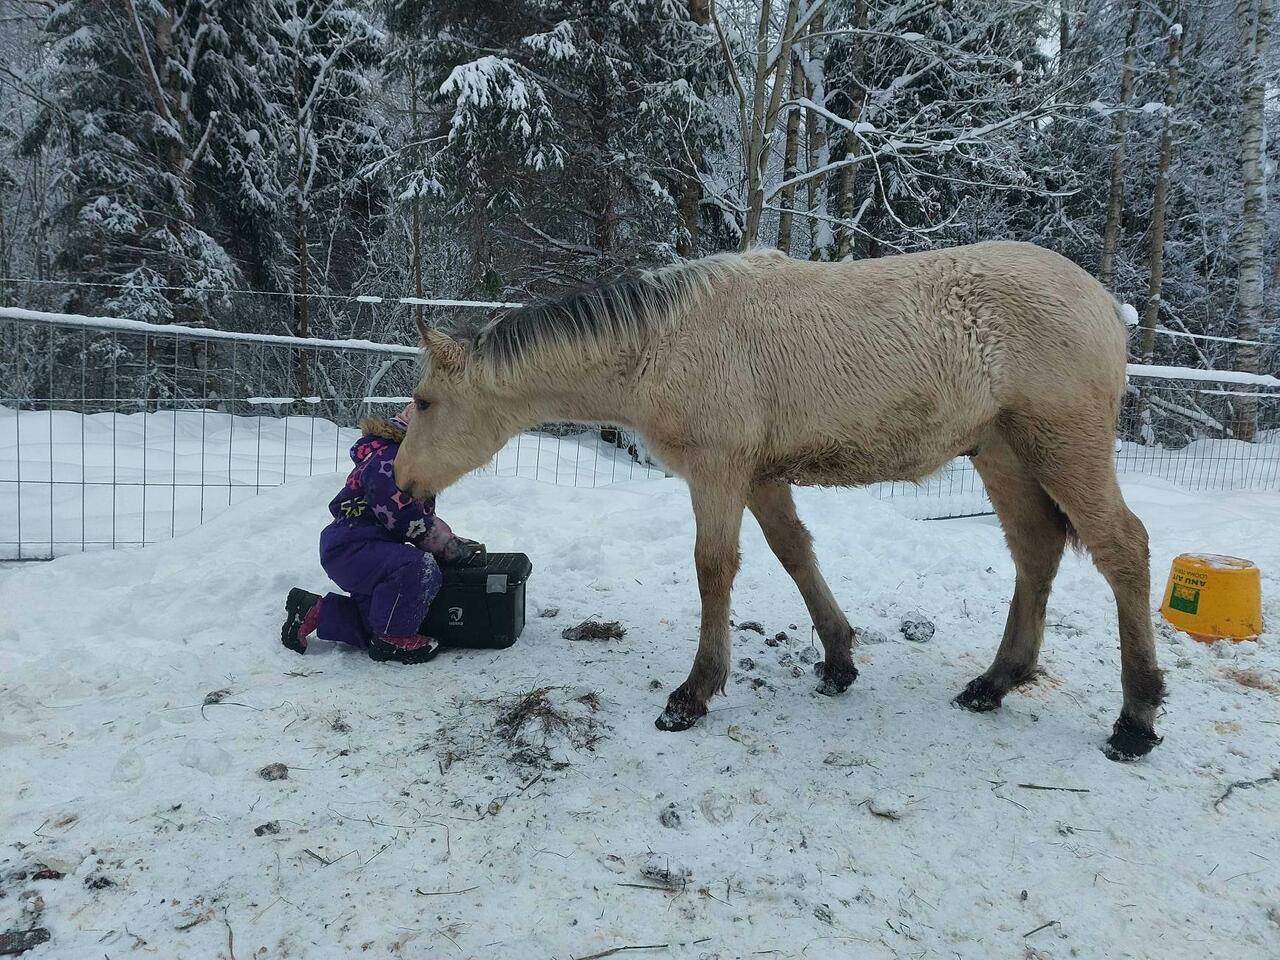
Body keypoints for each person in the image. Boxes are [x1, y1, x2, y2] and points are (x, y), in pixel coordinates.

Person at [280, 402, 481, 664]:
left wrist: (446, 539)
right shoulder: (390, 459)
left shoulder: (409, 463)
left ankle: (314, 612)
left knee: (376, 619)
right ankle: (392, 639)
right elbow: (402, 515)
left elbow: (420, 517)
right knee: (417, 567)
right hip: (353, 544)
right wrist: (442, 545)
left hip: (368, 547)